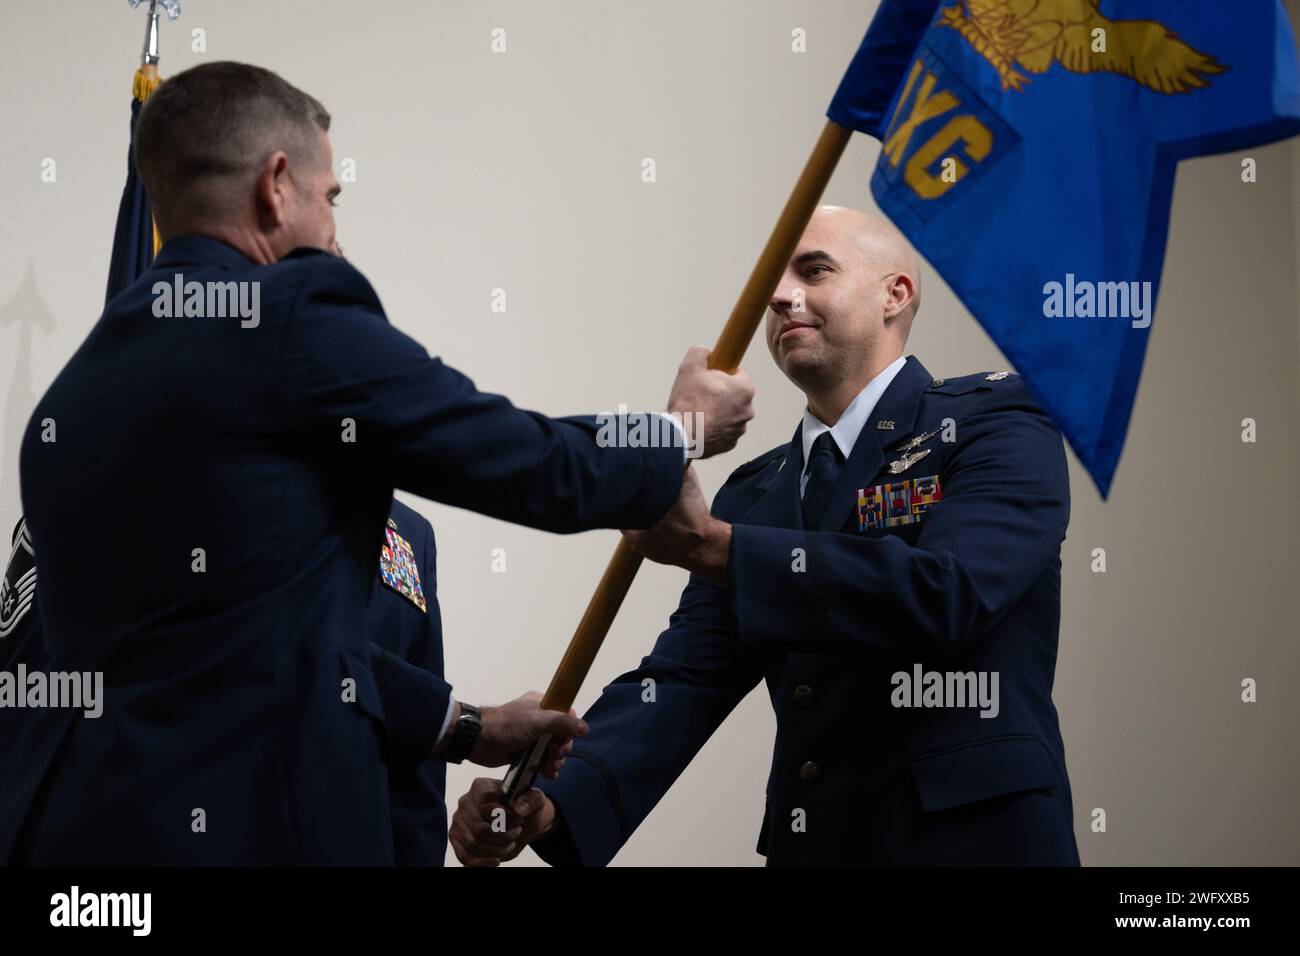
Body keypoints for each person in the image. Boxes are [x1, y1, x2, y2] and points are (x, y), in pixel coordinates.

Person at [7, 61, 754, 865]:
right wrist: (676, 435)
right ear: (277, 183)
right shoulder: (288, 316)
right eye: (331, 198)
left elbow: (242, 639)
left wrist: (466, 726)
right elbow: (512, 454)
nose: (332, 227)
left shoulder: (69, 402)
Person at [450, 206, 1079, 866]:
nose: (779, 296)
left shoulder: (996, 419)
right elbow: (688, 676)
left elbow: (951, 594)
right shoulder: (757, 492)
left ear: (896, 293)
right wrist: (551, 803)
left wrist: (717, 548)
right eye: (772, 281)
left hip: (973, 846)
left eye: (814, 270)